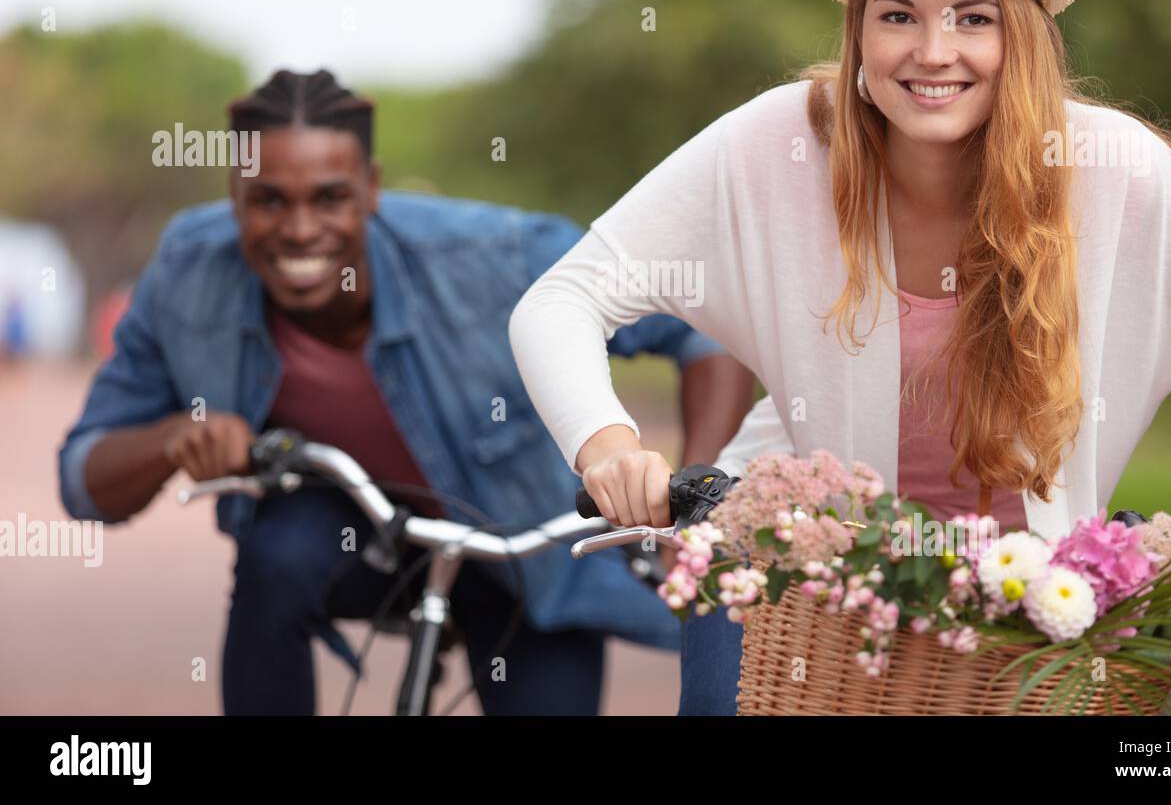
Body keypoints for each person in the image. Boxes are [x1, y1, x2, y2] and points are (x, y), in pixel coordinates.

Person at [507, 0, 1171, 715]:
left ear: (1022, 35)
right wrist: (607, 443)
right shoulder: (777, 145)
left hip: (1030, 600)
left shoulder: (1111, 168)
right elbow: (562, 299)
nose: (933, 52)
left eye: (972, 18)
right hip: (791, 577)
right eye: (898, 15)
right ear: (859, 30)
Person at [58, 69, 756, 715]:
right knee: (275, 557)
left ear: (371, 187)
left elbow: (706, 337)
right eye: (268, 201)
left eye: (329, 197)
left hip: (520, 547)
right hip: (352, 536)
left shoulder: (496, 257)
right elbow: (84, 480)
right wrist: (174, 437)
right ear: (233, 198)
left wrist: (694, 505)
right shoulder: (188, 267)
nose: (300, 230)